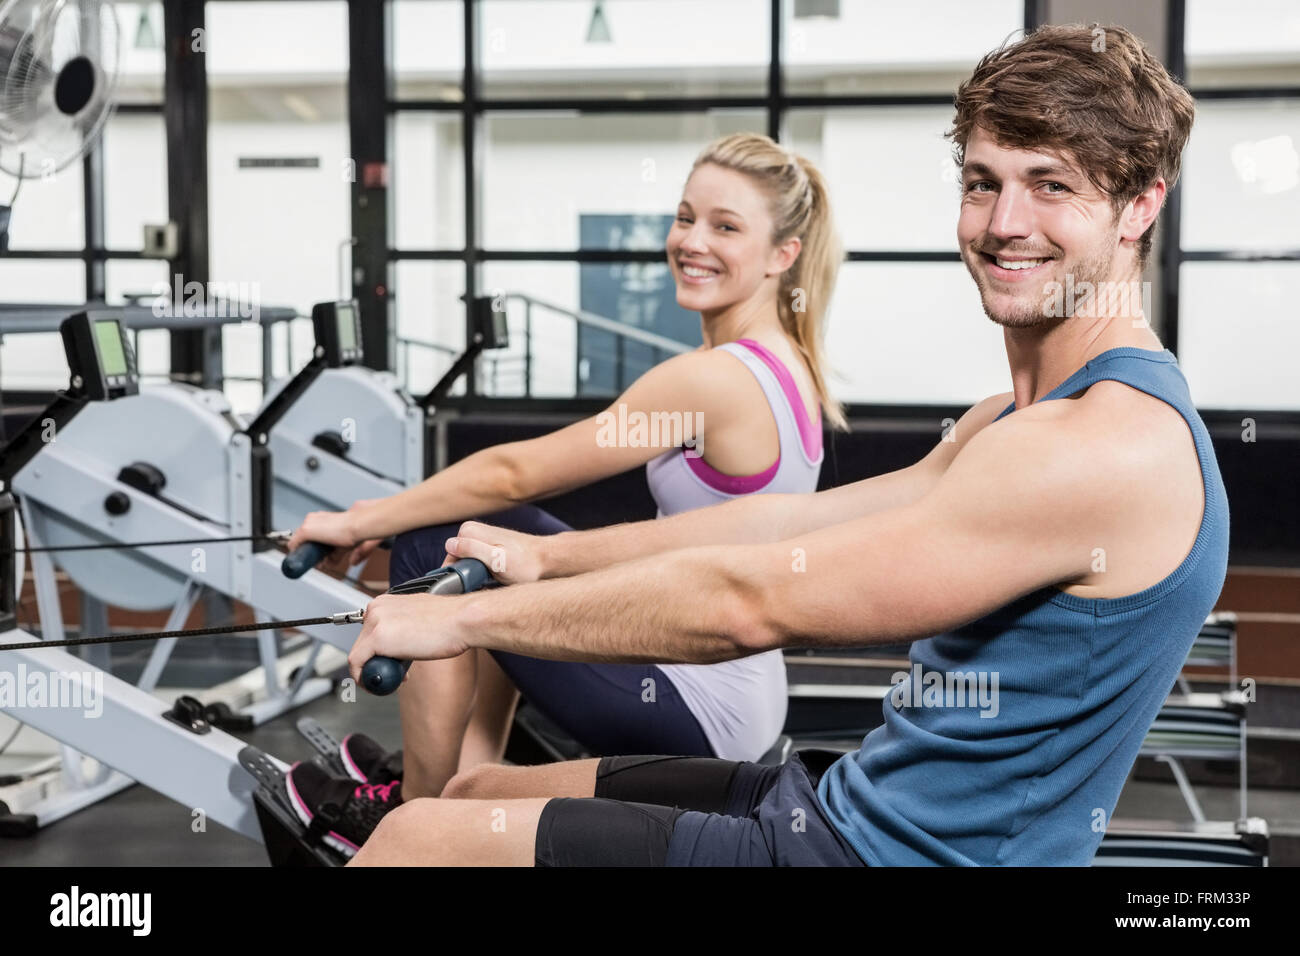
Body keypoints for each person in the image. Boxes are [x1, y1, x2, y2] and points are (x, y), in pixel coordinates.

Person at [333, 23, 1225, 867]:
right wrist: (547, 559)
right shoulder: (1010, 420)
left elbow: (749, 604)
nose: (1002, 223)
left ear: (1139, 207)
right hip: (850, 803)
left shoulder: (1098, 446)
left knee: (418, 845)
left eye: (1052, 185)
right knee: (469, 796)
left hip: (880, 855)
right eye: (984, 182)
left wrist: (463, 618)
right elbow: (780, 524)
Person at [284, 132, 846, 850]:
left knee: (441, 538)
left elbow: (515, 472)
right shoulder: (788, 366)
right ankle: (453, 784)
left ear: (781, 256)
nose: (692, 240)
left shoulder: (712, 380)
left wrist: (367, 518)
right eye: (685, 216)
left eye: (725, 227)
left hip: (692, 701)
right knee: (486, 548)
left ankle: (405, 825)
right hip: (741, 697)